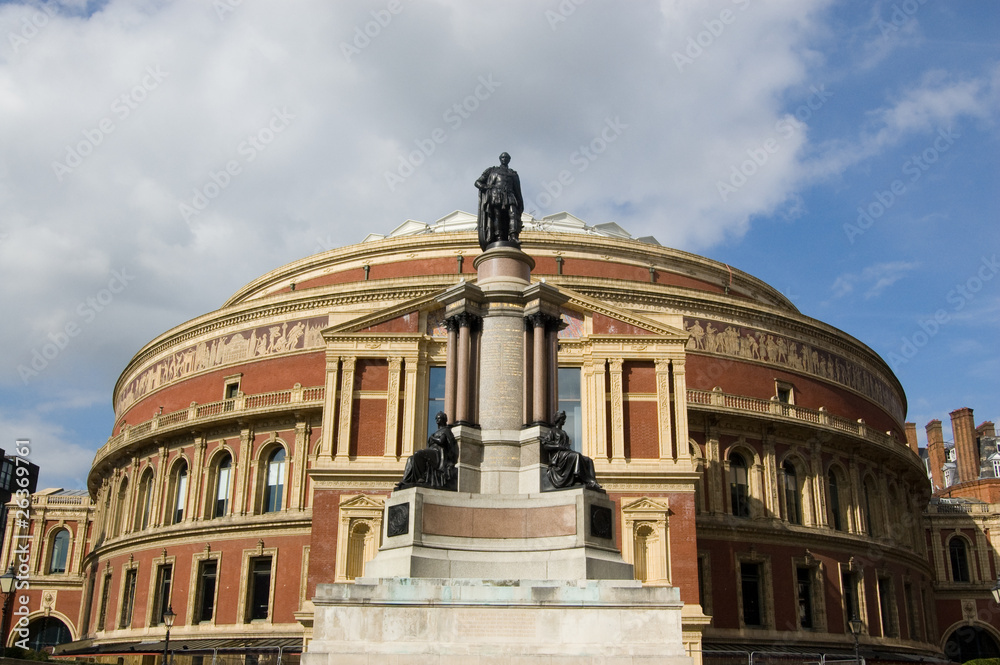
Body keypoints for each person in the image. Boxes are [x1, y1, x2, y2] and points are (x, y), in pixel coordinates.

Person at [395, 411, 458, 490]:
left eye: (439, 418)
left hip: (438, 454)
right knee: (410, 459)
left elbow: (441, 441)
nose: (437, 420)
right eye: (437, 418)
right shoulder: (437, 432)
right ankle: (406, 480)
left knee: (418, 454)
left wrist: (432, 438)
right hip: (433, 451)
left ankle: (422, 477)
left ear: (444, 420)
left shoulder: (446, 431)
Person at [541, 410, 602, 491]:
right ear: (559, 419)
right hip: (558, 456)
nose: (564, 421)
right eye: (563, 419)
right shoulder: (552, 431)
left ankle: (593, 482)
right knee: (577, 455)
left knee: (588, 460)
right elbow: (546, 445)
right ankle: (577, 476)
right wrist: (558, 446)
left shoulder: (564, 433)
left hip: (566, 453)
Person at [475, 152, 524, 250]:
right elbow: (477, 182)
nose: (504, 159)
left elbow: (517, 190)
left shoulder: (513, 174)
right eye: (503, 157)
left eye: (506, 157)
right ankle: (499, 236)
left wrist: (520, 204)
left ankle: (513, 236)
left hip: (510, 195)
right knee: (497, 216)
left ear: (509, 160)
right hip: (495, 195)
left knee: (512, 214)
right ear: (500, 159)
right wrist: (487, 187)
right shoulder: (492, 170)